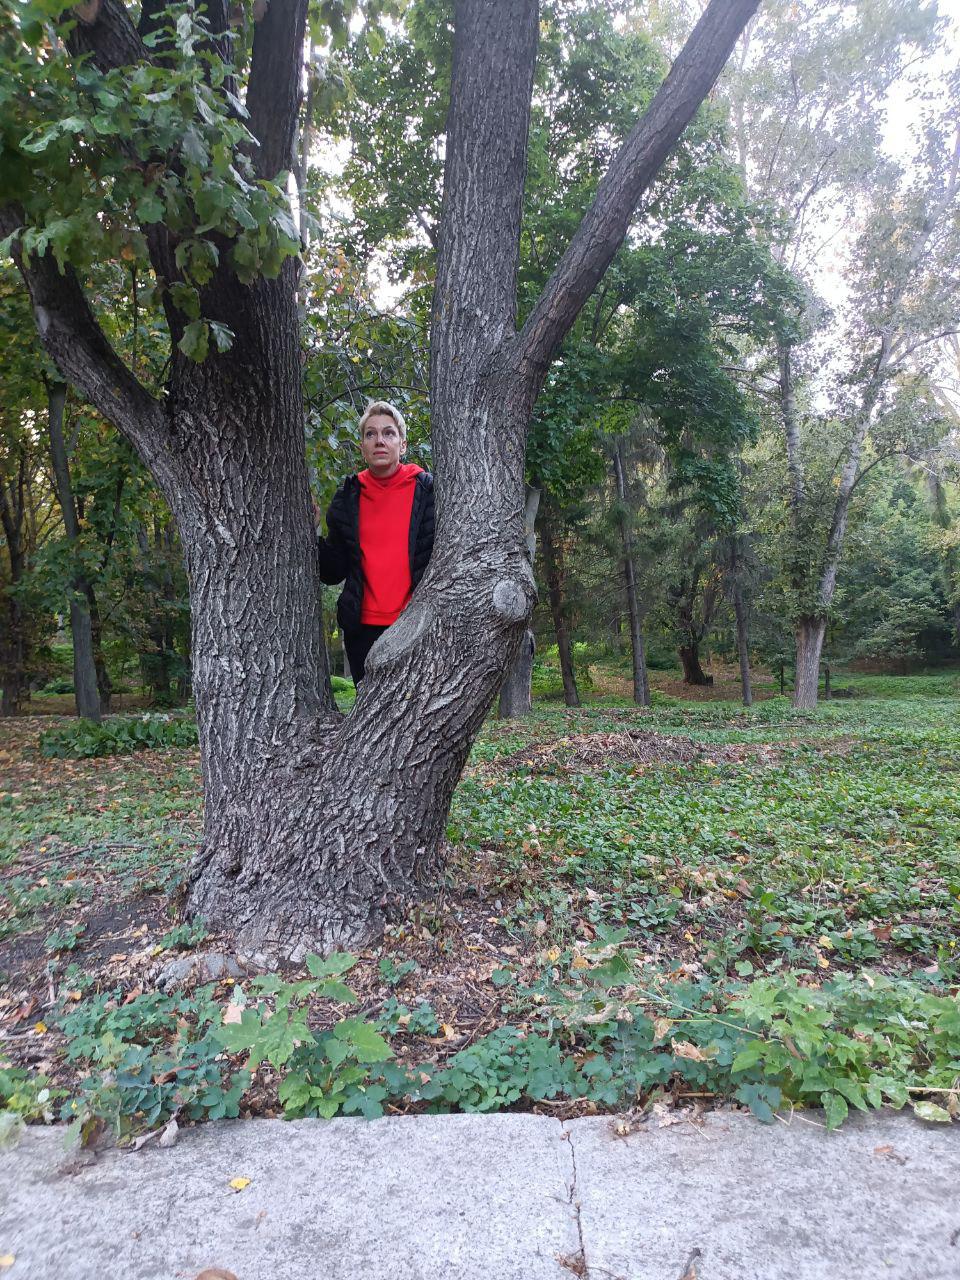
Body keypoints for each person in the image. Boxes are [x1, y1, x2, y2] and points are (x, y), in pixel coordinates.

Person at [316, 400, 435, 685]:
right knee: (371, 711)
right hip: (362, 631)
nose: (379, 440)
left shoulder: (427, 490)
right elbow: (333, 572)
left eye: (388, 433)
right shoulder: (348, 495)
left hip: (416, 625)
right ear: (362, 448)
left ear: (402, 445)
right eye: (370, 434)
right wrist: (311, 532)